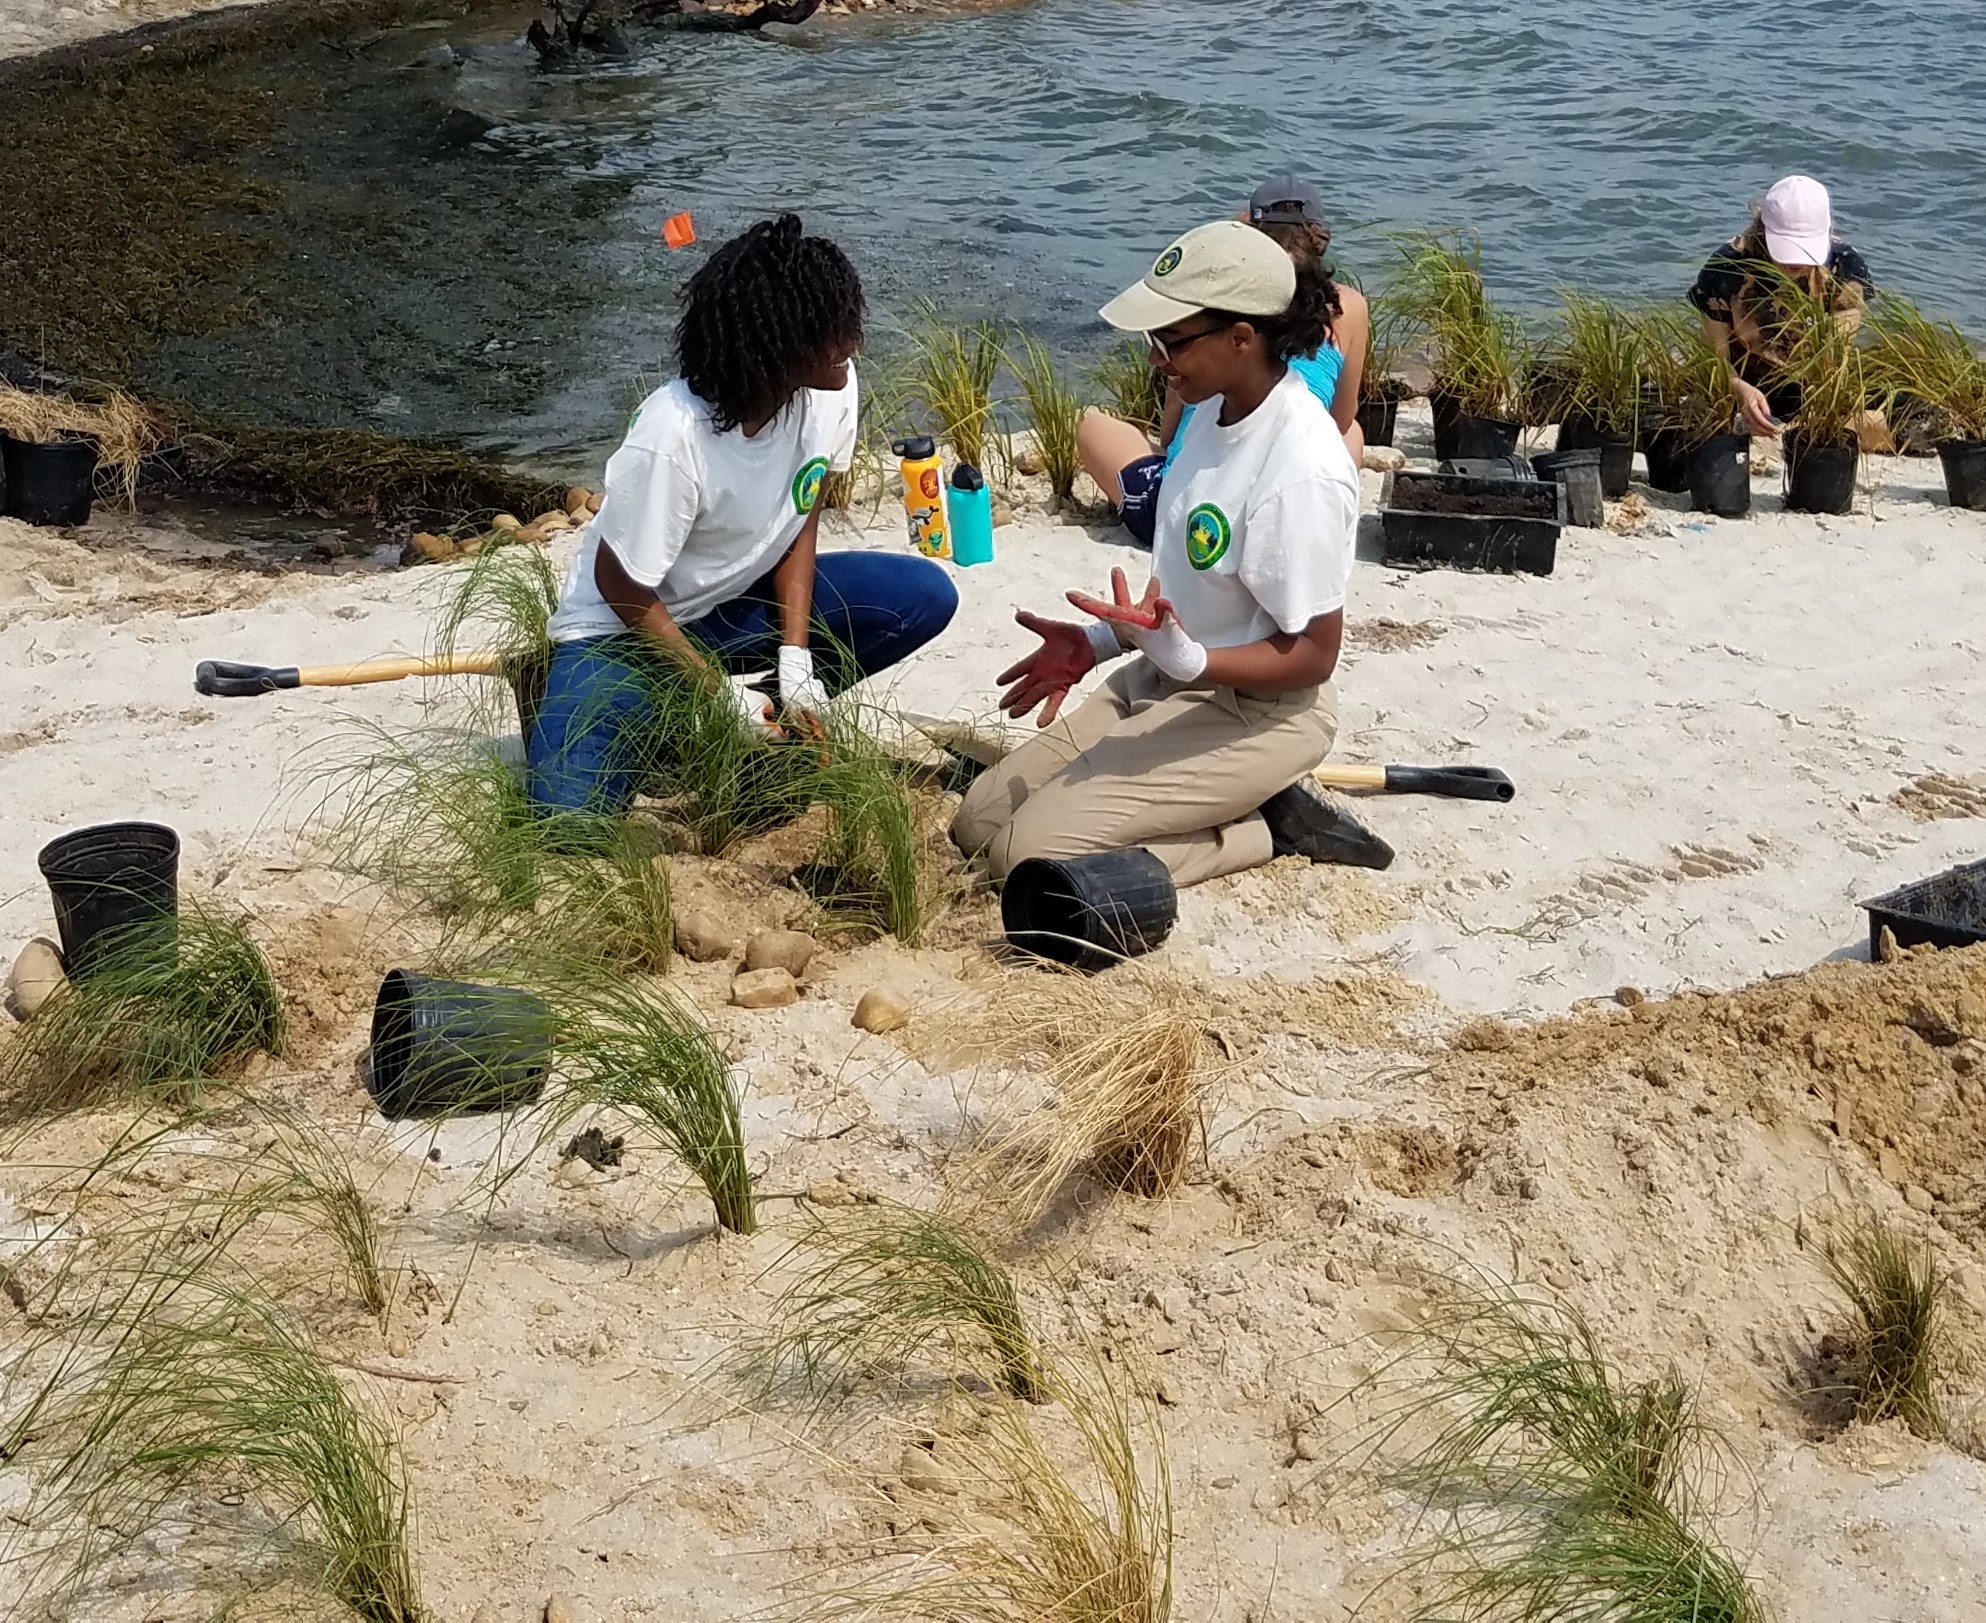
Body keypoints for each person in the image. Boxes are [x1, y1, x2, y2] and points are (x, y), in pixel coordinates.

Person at [952, 218, 1368, 889]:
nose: (1155, 359)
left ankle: (1260, 829)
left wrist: (1196, 660)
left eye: (1171, 341)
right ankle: (1225, 804)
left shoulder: (1301, 465)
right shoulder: (1210, 409)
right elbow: (1187, 595)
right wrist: (1100, 641)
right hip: (1165, 682)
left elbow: (1315, 654)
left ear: (1242, 337)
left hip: (1262, 713)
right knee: (978, 821)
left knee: (1021, 858)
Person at [528, 214, 958, 818]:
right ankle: (694, 714)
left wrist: (796, 658)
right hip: (627, 632)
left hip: (737, 608)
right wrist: (710, 691)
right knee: (566, 819)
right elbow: (618, 582)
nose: (852, 343)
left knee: (921, 596)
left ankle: (765, 711)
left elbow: (799, 517)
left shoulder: (830, 389)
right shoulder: (673, 435)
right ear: (776, 345)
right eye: (832, 332)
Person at [1076, 177, 1367, 548]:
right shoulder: (1351, 307)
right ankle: (1333, 512)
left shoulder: (1224, 315)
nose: (1157, 355)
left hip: (1184, 516)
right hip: (1274, 515)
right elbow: (1340, 419)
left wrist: (1167, 438)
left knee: (1094, 425)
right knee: (1351, 430)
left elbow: (1168, 432)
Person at [1687, 174, 1875, 437]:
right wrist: (1738, 388)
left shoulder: (1845, 270)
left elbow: (1834, 363)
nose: (1795, 263)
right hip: (1744, 386)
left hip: (1809, 389)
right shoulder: (1727, 268)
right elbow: (1714, 361)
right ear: (1763, 229)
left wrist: (1820, 408)